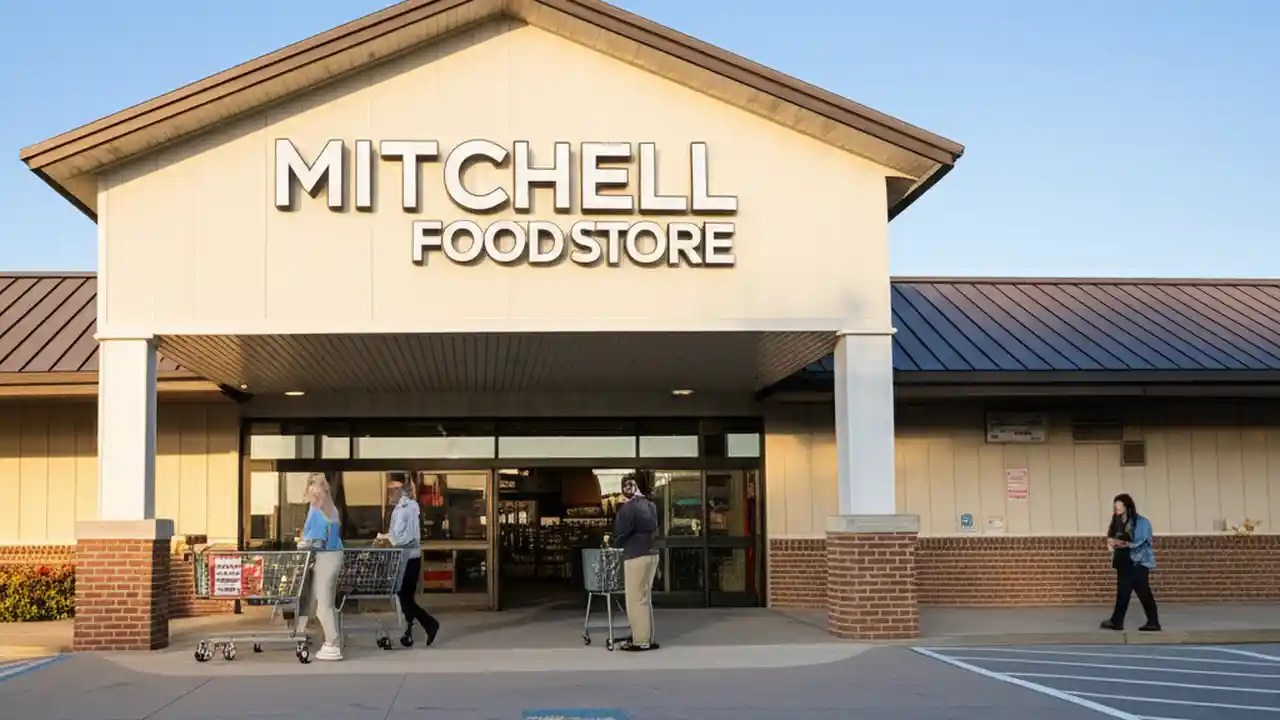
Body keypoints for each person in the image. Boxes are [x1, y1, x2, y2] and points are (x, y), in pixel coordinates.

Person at [380, 475, 440, 647]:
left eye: (392, 490)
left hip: (408, 558)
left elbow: (403, 536)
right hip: (408, 557)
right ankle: (410, 632)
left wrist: (387, 539)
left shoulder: (405, 508)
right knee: (405, 597)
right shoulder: (405, 507)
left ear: (399, 490)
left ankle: (429, 624)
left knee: (404, 597)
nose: (389, 494)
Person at [297, 473, 345, 661]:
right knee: (326, 603)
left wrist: (302, 543)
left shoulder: (319, 509)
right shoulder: (329, 507)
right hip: (332, 555)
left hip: (326, 556)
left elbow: (314, 538)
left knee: (322, 606)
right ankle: (332, 640)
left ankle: (332, 643)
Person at [611, 472, 660, 651]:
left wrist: (614, 543)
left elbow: (620, 531)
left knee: (635, 600)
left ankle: (640, 640)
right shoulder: (651, 506)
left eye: (628, 485)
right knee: (645, 599)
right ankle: (647, 637)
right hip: (651, 553)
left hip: (635, 554)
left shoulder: (629, 507)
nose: (625, 488)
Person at [1101, 493, 1161, 632]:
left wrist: (1119, 542)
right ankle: (1117, 621)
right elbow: (1112, 539)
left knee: (1143, 591)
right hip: (1123, 562)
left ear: (1127, 506)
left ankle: (1153, 622)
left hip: (1137, 562)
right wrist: (1112, 544)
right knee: (1123, 593)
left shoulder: (1141, 522)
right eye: (1115, 505)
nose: (1117, 508)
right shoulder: (1116, 522)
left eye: (1120, 505)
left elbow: (1138, 542)